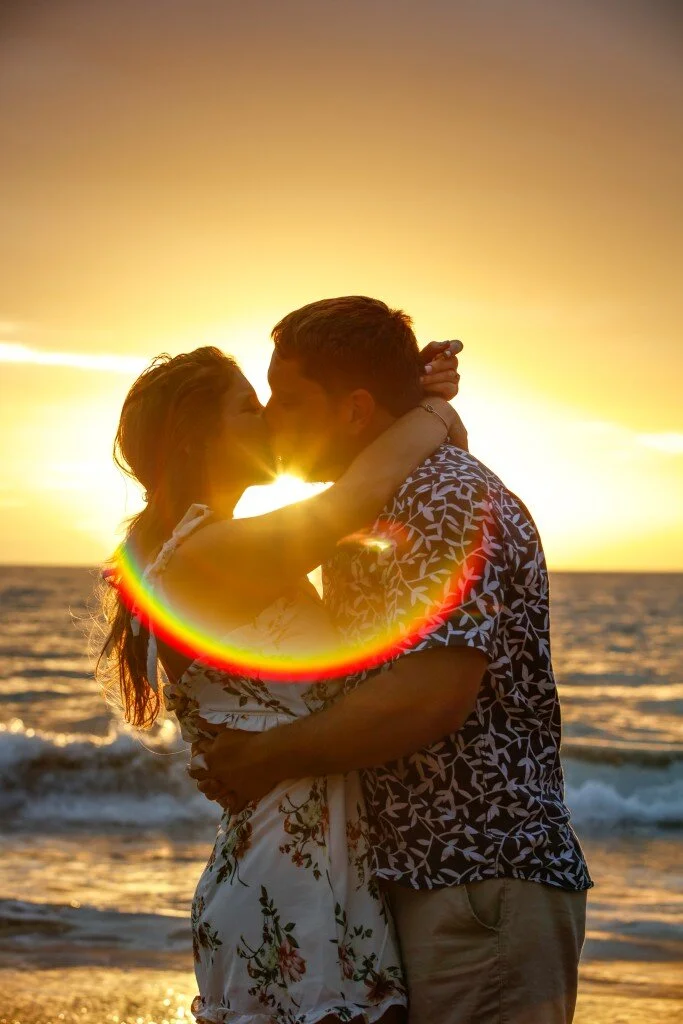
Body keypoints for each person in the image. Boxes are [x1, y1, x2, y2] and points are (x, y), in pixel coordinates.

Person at [190, 296, 594, 1024]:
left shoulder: (443, 496)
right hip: (422, 879)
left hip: (479, 877)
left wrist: (264, 757)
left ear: (353, 409)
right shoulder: (381, 505)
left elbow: (428, 697)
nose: (273, 418)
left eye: (287, 398)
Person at [98, 323, 463, 1024]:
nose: (269, 417)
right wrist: (430, 409)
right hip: (283, 885)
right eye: (248, 406)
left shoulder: (214, 547)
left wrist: (400, 400)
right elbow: (356, 496)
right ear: (195, 440)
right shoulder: (206, 554)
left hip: (314, 868)